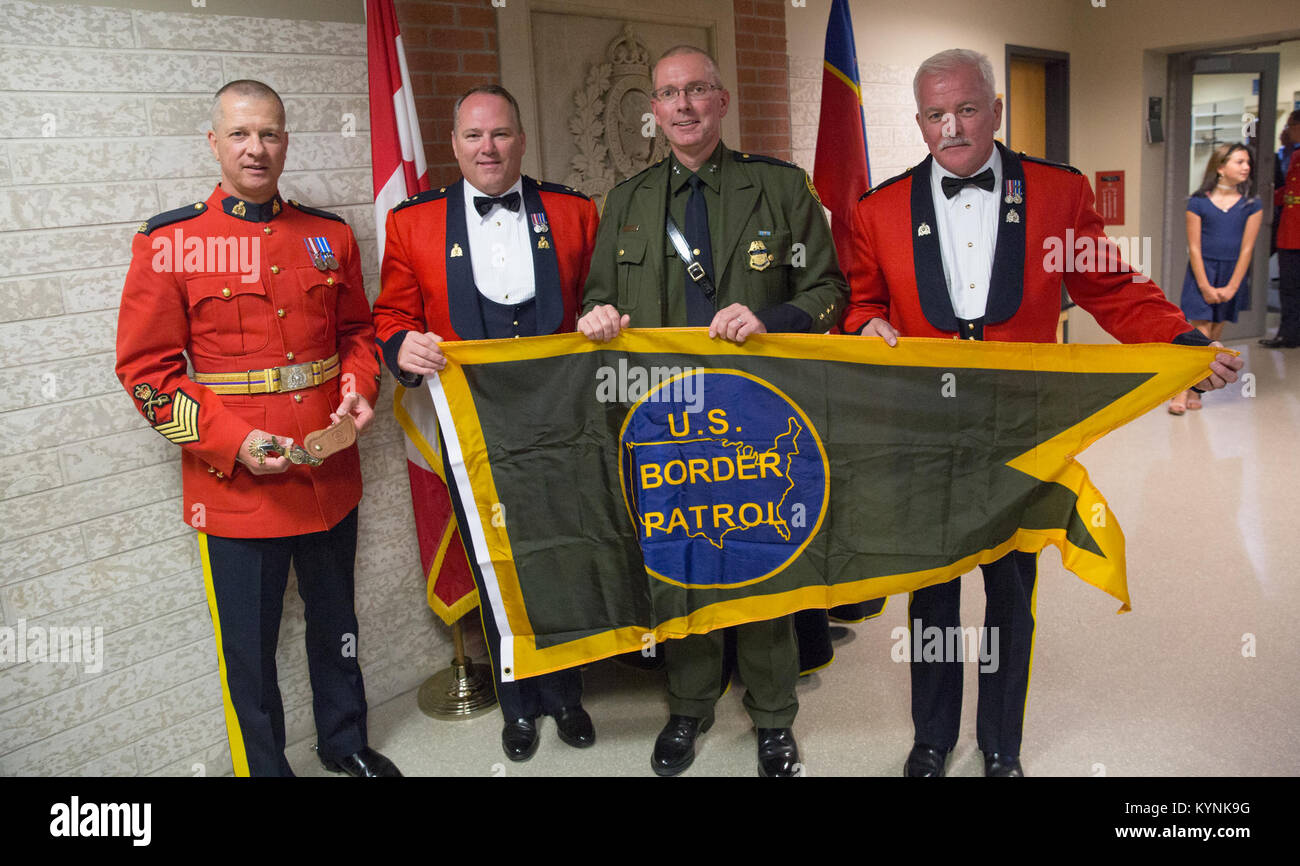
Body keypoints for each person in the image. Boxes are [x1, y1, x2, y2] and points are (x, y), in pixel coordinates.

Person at [844, 49, 1242, 777]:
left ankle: (1002, 746)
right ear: (920, 122)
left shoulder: (1056, 195)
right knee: (931, 594)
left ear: (996, 111)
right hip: (926, 436)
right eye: (936, 114)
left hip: (1020, 431)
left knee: (1009, 594)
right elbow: (863, 302)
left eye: (967, 109)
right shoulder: (880, 208)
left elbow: (1111, 287)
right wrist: (863, 322)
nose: (953, 127)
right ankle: (930, 741)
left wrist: (1182, 344)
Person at [115, 80, 399, 777]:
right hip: (236, 483)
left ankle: (346, 743)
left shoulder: (327, 235)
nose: (256, 148)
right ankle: (265, 769)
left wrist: (360, 390)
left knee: (338, 627)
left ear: (286, 142)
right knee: (250, 644)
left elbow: (359, 335)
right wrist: (233, 442)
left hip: (328, 471)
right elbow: (147, 375)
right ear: (213, 143)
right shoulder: (171, 242)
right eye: (240, 134)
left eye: (269, 133)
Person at [579, 45, 846, 777]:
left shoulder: (782, 189)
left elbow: (830, 296)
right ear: (654, 111)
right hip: (663, 423)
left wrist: (775, 321)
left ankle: (772, 715)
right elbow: (594, 299)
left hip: (757, 418)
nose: (685, 106)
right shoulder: (627, 202)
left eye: (698, 90)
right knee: (681, 560)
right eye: (670, 94)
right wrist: (597, 317)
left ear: (722, 102)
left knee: (760, 565)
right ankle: (689, 705)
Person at [371, 84, 600, 763]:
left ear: (521, 139)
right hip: (470, 424)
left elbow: (601, 295)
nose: (488, 147)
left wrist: (603, 312)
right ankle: (519, 705)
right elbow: (391, 316)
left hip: (562, 421)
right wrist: (399, 349)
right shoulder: (412, 223)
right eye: (474, 136)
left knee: (561, 555)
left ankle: (567, 692)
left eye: (500, 134)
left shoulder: (573, 211)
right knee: (493, 563)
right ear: (453, 146)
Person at [1169, 143, 1261, 413]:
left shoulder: (1252, 204)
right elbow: (1194, 247)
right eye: (1239, 162)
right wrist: (1205, 285)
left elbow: (1247, 249)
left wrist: (1233, 286)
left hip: (1232, 274)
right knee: (1201, 332)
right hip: (1202, 273)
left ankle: (1197, 389)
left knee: (1216, 332)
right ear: (1220, 168)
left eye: (1247, 162)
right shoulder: (1197, 202)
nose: (1246, 167)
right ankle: (1182, 391)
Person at [1260, 109, 1300, 349]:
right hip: (1290, 229)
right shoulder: (1294, 154)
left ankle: (1290, 334)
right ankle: (1289, 333)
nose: (1286, 131)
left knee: (1291, 288)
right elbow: (1288, 192)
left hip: (1294, 229)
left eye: (1290, 126)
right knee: (1289, 287)